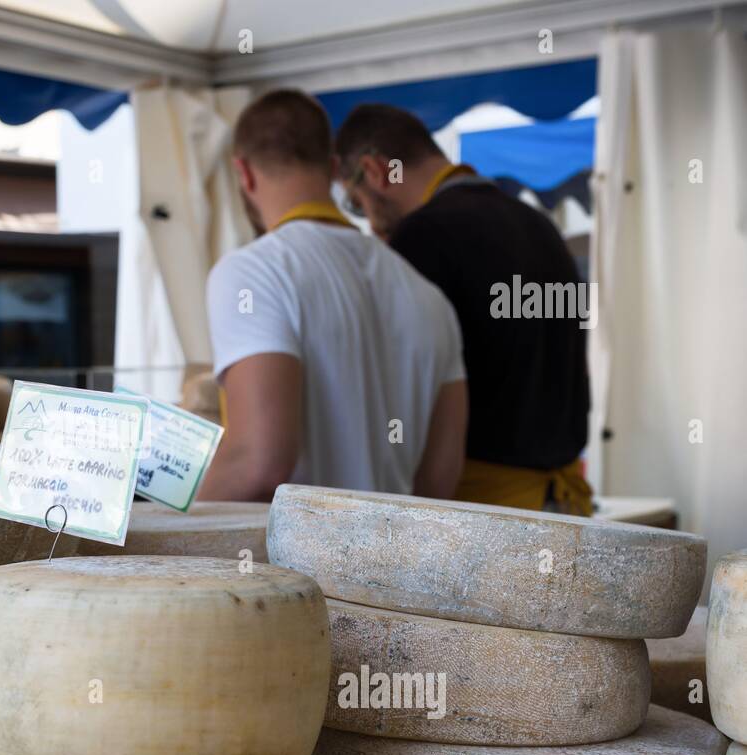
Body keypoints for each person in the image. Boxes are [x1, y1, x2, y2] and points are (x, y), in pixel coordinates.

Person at [198, 89, 468, 502]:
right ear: (333, 168)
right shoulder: (427, 294)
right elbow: (438, 482)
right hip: (395, 562)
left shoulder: (253, 272)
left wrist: (153, 518)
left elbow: (259, 465)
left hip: (295, 566)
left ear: (244, 174)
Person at [333, 104, 592, 514]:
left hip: (483, 515)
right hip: (563, 506)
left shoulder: (423, 237)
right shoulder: (539, 226)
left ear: (377, 171)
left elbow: (407, 389)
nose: (368, 220)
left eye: (356, 202)